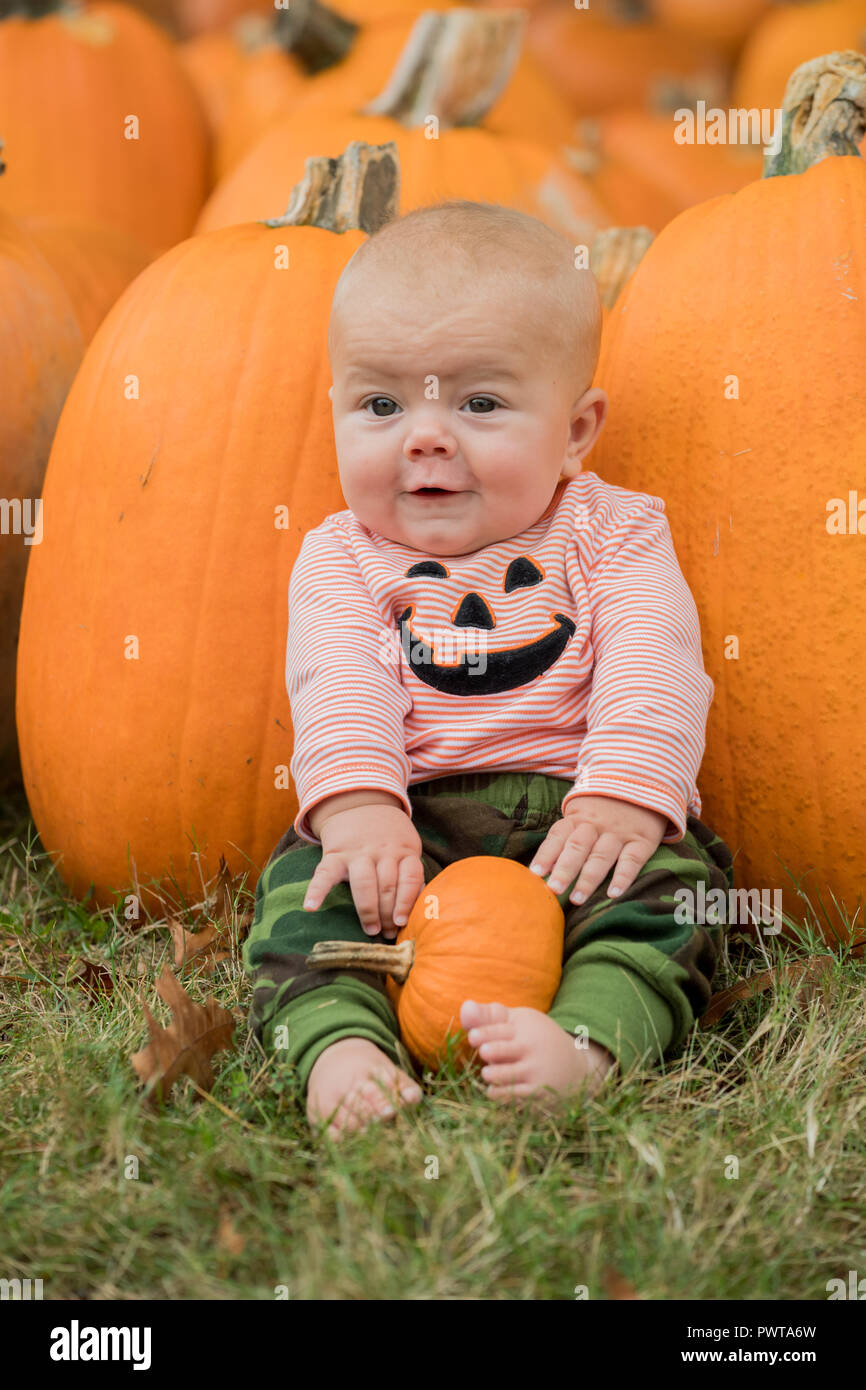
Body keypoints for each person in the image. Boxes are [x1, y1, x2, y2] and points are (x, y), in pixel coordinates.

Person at [242, 200, 733, 1138]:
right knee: (305, 895)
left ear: (577, 429)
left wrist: (626, 793)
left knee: (672, 893)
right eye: (382, 405)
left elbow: (655, 659)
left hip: (575, 815)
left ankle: (589, 1044)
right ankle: (339, 1047)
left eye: (479, 403)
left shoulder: (617, 532)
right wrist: (358, 808)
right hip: (412, 818)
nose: (426, 438)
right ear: (336, 409)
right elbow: (340, 683)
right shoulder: (341, 556)